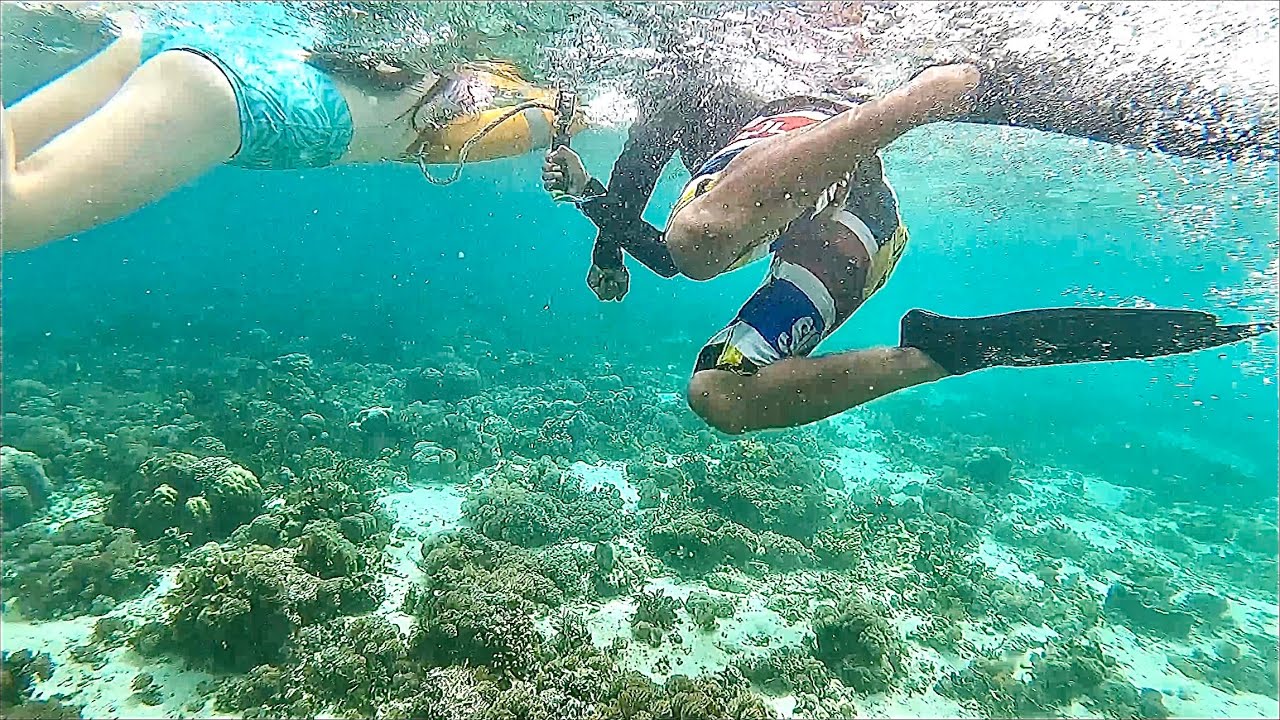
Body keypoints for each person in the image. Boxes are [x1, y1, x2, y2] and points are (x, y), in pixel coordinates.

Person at [542, 62, 1276, 435]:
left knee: (699, 238)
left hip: (824, 150)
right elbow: (664, 248)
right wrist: (590, 206)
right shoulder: (670, 121)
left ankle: (913, 105)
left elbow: (672, 238)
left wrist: (599, 229)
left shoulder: (688, 91)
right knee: (719, 394)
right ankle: (947, 351)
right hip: (866, 230)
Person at [1, 20, 583, 252]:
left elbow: (552, 116)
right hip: (223, 101)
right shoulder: (440, 137)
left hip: (181, 47)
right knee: (12, 216)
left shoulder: (415, 87)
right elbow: (557, 119)